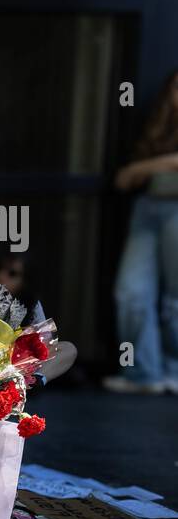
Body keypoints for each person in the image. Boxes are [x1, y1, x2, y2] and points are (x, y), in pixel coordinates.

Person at [106, 68, 178, 393]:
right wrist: (161, 164)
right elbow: (122, 179)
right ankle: (144, 374)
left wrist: (144, 168)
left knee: (175, 300)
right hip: (147, 209)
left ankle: (174, 372)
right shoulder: (156, 131)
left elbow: (136, 172)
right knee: (131, 292)